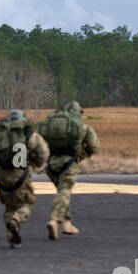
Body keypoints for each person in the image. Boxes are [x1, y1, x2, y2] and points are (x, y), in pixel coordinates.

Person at [0, 109, 49, 247]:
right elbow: (43, 153)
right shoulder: (26, 134)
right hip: (20, 174)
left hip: (2, 175)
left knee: (9, 208)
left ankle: (12, 238)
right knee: (26, 205)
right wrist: (35, 165)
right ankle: (16, 221)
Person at [38, 100, 101, 239]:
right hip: (69, 164)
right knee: (64, 192)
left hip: (51, 165)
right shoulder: (83, 128)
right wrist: (82, 155)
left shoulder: (54, 126)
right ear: (79, 113)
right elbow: (95, 147)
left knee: (62, 194)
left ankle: (67, 224)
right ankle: (54, 221)